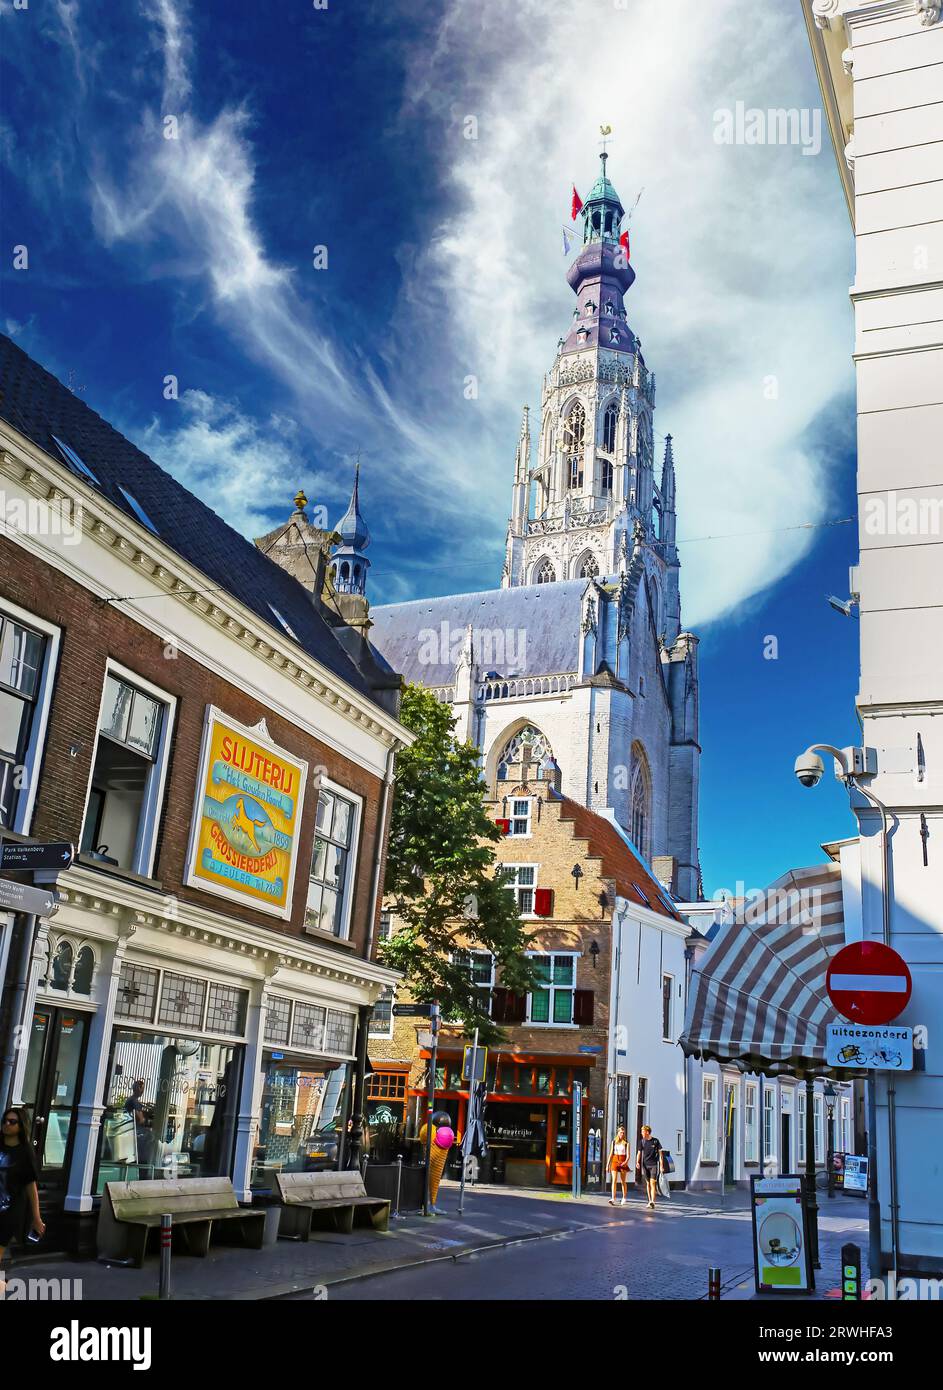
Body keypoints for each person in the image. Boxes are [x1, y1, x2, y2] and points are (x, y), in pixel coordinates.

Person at [0, 1107, 45, 1283]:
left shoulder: (25, 1153)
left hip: (9, 1211)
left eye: (12, 1122)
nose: (6, 1125)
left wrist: (36, 1218)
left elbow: (30, 1186)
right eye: (5, 1120)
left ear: (21, 1126)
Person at [636, 1124, 664, 1210]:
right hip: (645, 1165)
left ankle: (653, 1201)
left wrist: (661, 1166)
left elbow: (660, 1155)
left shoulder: (655, 1141)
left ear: (647, 1132)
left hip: (654, 1165)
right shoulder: (642, 1142)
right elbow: (639, 1153)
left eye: (643, 1132)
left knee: (652, 1183)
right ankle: (649, 1201)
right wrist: (637, 1162)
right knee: (648, 1184)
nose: (641, 1133)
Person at [607, 1124, 631, 1205]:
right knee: (614, 1180)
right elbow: (610, 1154)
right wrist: (607, 1164)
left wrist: (625, 1162)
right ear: (618, 1133)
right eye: (621, 1132)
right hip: (614, 1161)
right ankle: (613, 1198)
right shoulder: (614, 1142)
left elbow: (628, 1155)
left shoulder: (626, 1143)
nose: (622, 1134)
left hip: (623, 1160)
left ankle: (624, 1197)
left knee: (623, 1181)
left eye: (623, 1133)